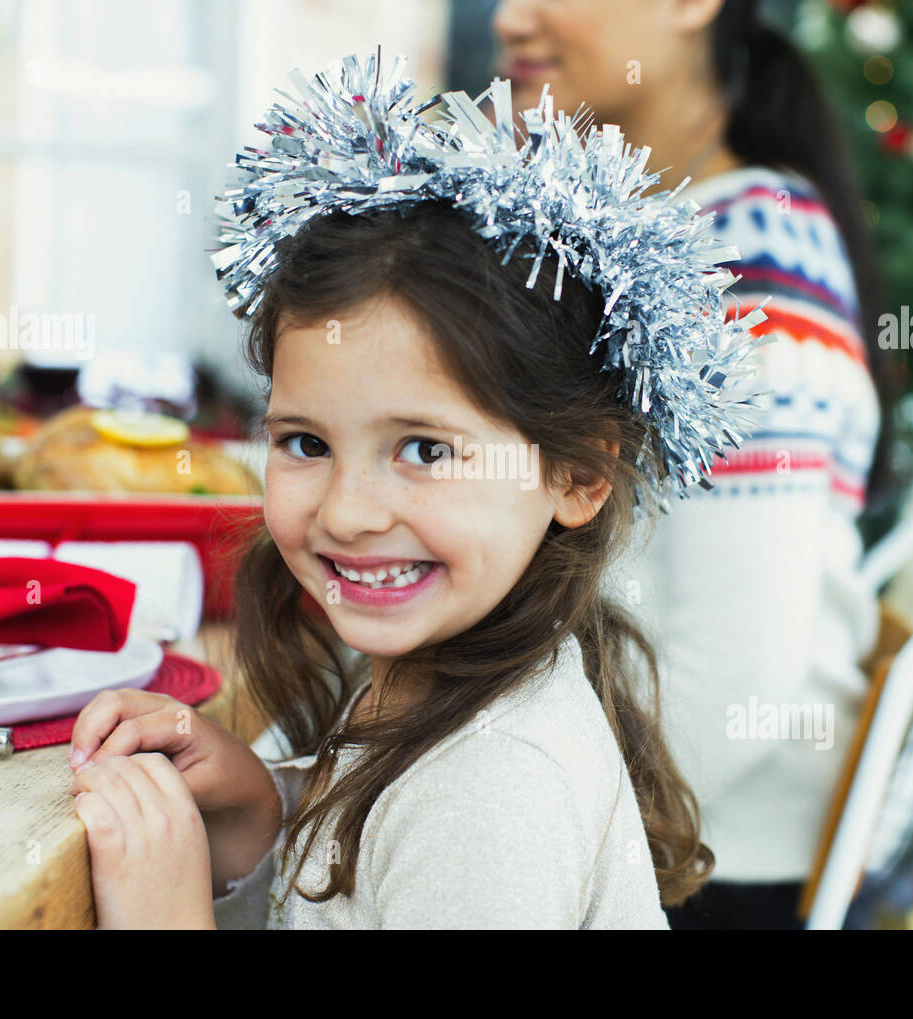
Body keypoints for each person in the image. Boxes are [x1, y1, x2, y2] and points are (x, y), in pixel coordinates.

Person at [58, 55, 760, 929]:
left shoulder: (493, 793)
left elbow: (429, 842)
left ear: (578, 474)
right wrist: (265, 808)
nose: (347, 511)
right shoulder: (435, 681)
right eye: (307, 443)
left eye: (424, 449)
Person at [494, 0, 890, 928]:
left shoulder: (749, 267)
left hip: (694, 859)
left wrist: (497, 816)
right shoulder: (677, 228)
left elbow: (734, 684)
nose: (510, 18)